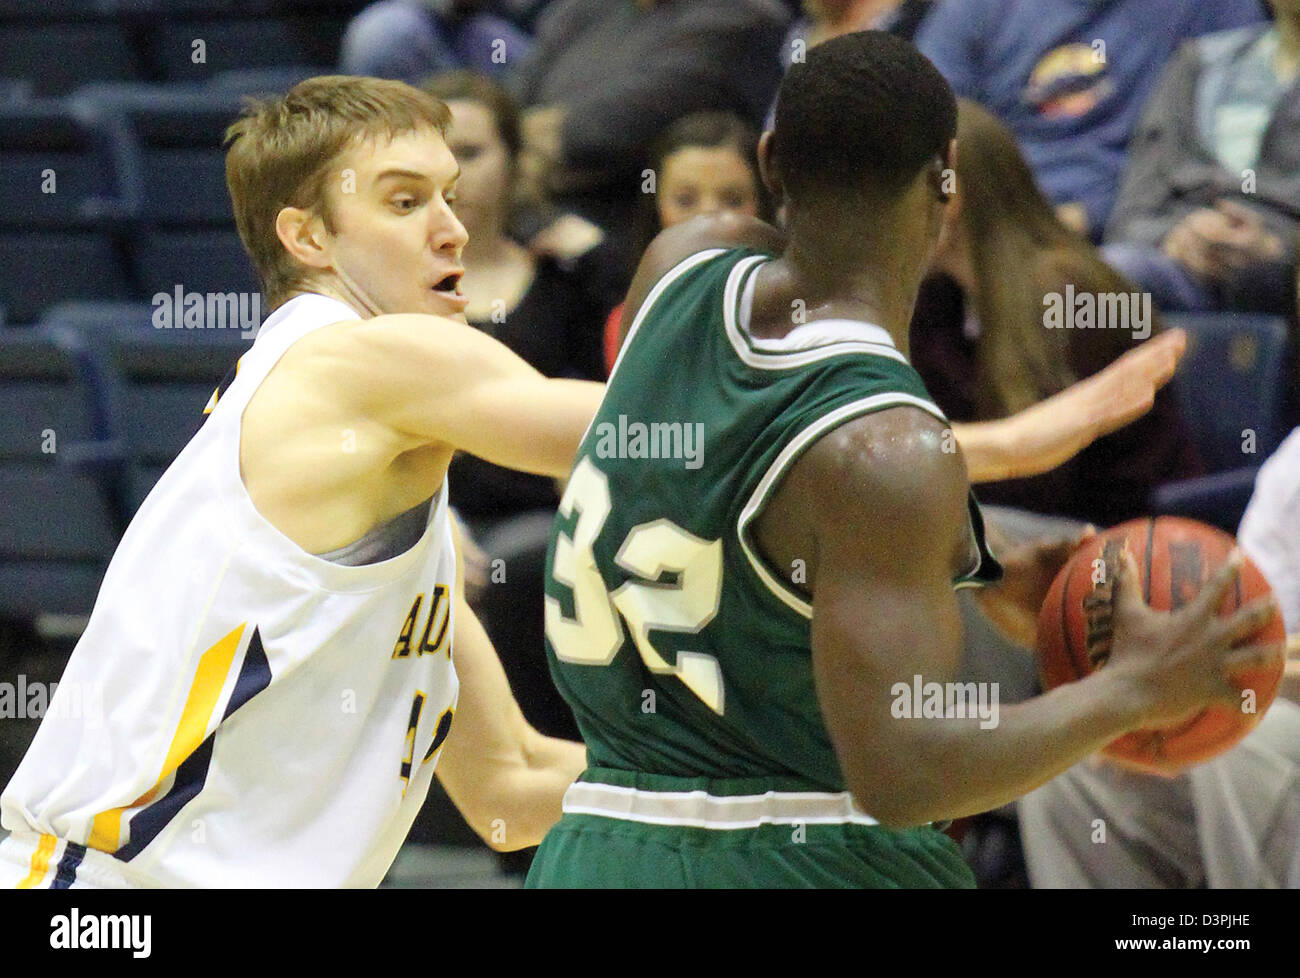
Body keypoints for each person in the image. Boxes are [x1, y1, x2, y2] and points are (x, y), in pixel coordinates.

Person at [523, 32, 1283, 889]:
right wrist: (1134, 691)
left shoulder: (679, 268)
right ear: (945, 178)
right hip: (801, 858)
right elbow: (904, 774)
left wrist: (970, 567)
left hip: (596, 845)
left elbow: (712, 498)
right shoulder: (891, 445)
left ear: (770, 160)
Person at [0, 76, 600, 888]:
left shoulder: (377, 483)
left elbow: (512, 789)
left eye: (450, 196)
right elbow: (623, 435)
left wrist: (769, 797)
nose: (454, 230)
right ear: (309, 238)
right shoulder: (351, 357)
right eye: (404, 202)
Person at [1019, 428, 1300, 888]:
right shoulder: (1294, 468)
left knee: (1235, 746)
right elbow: (1262, 636)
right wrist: (1133, 704)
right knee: (1068, 767)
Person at [912, 98, 1203, 527]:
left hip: (1120, 540)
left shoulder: (1069, 292)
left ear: (949, 197)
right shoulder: (938, 296)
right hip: (1022, 523)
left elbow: (1040, 480)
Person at [916, 0, 1264, 241]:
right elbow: (926, 123)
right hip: (991, 219)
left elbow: (1237, 139)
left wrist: (1094, 215)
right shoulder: (975, 10)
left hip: (1133, 223)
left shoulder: (1208, 8)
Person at [1103, 0, 1300, 320]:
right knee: (1084, 286)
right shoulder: (1202, 63)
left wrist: (1280, 252)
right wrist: (1176, 237)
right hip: (1179, 262)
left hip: (1284, 270)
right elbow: (1130, 215)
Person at [603, 112, 771, 373]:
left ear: (763, 205)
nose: (708, 219)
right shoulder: (628, 321)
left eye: (734, 200)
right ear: (656, 206)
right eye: (685, 200)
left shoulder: (797, 318)